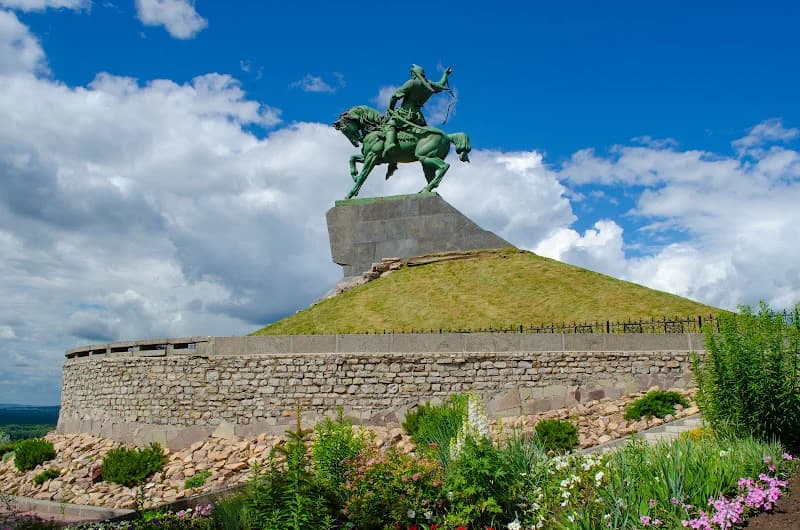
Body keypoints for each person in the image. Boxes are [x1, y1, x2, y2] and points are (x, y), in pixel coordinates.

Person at [382, 64, 452, 158]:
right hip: (418, 117)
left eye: (412, 74)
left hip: (405, 113)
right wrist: (445, 74)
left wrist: (391, 108)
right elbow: (441, 84)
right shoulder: (429, 85)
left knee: (390, 124)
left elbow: (395, 96)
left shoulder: (412, 83)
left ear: (414, 74)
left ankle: (389, 144)